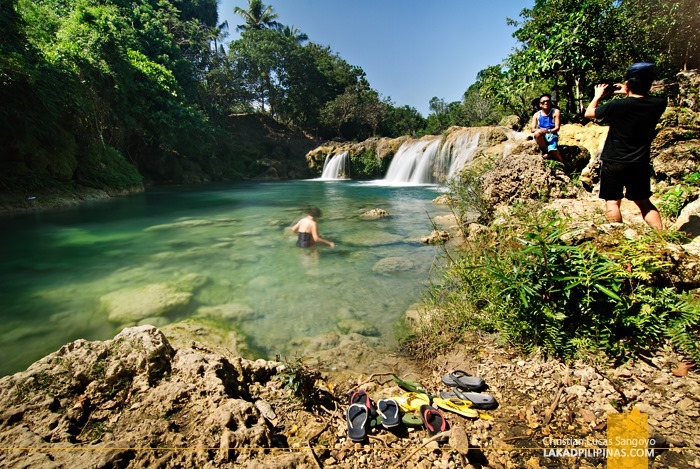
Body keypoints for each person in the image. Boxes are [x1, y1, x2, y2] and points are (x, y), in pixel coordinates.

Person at [584, 62, 667, 229]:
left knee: (613, 202)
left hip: (614, 161)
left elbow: (589, 113)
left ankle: (618, 238)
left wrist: (598, 95)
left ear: (628, 84)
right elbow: (641, 99)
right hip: (639, 161)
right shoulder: (658, 104)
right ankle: (662, 239)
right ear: (649, 84)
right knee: (644, 202)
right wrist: (628, 90)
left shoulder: (616, 105)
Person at [531, 94, 564, 163]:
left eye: (548, 101)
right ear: (540, 104)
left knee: (553, 150)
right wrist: (541, 130)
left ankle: (562, 163)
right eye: (543, 102)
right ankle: (546, 151)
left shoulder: (556, 112)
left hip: (552, 134)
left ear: (550, 102)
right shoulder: (536, 114)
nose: (546, 103)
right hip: (542, 135)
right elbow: (532, 129)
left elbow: (557, 128)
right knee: (537, 133)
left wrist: (548, 131)